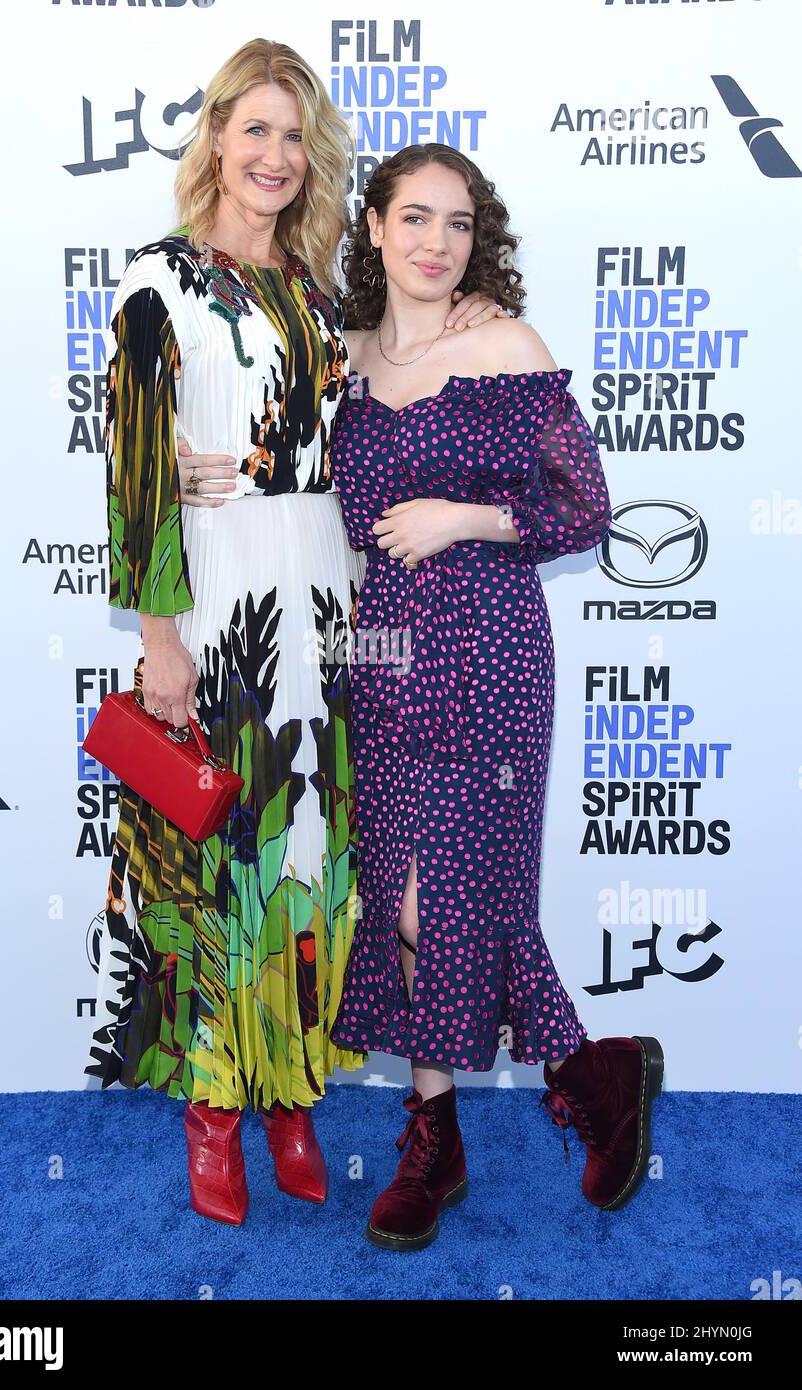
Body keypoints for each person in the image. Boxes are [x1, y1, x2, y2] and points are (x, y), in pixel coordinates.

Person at [85, 40, 503, 1228]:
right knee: (217, 852)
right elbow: (134, 474)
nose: (272, 155)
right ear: (215, 136)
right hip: (216, 597)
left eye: (291, 135)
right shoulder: (155, 282)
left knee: (314, 850)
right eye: (251, 129)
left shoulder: (322, 295)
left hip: (325, 596)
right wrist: (160, 635)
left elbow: (366, 416)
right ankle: (213, 1106)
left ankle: (291, 1092)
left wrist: (467, 309)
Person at [324, 143, 665, 1250]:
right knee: (400, 903)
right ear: (372, 228)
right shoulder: (339, 360)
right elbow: (283, 485)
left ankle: (578, 1083)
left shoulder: (502, 343)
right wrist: (195, 476)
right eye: (413, 218)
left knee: (460, 903)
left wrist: (458, 517)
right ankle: (451, 1131)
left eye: (457, 224)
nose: (434, 242)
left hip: (488, 652)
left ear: (478, 240)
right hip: (378, 658)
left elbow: (583, 507)